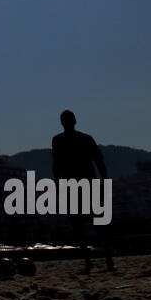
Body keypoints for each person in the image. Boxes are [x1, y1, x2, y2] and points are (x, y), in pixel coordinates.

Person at [52, 109, 114, 274]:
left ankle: (89, 261)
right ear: (75, 121)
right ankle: (107, 260)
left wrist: (58, 186)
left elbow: (56, 166)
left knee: (80, 225)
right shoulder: (85, 138)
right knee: (98, 223)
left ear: (62, 122)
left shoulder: (58, 140)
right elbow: (99, 161)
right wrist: (104, 180)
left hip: (72, 185)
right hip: (87, 183)